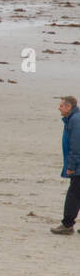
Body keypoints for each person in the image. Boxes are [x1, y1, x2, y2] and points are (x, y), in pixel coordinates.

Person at [50, 96, 80, 233]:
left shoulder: (75, 120)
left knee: (73, 194)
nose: (59, 108)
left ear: (69, 107)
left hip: (78, 165)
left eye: (61, 105)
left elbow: (76, 146)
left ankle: (67, 225)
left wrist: (71, 166)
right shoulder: (73, 119)